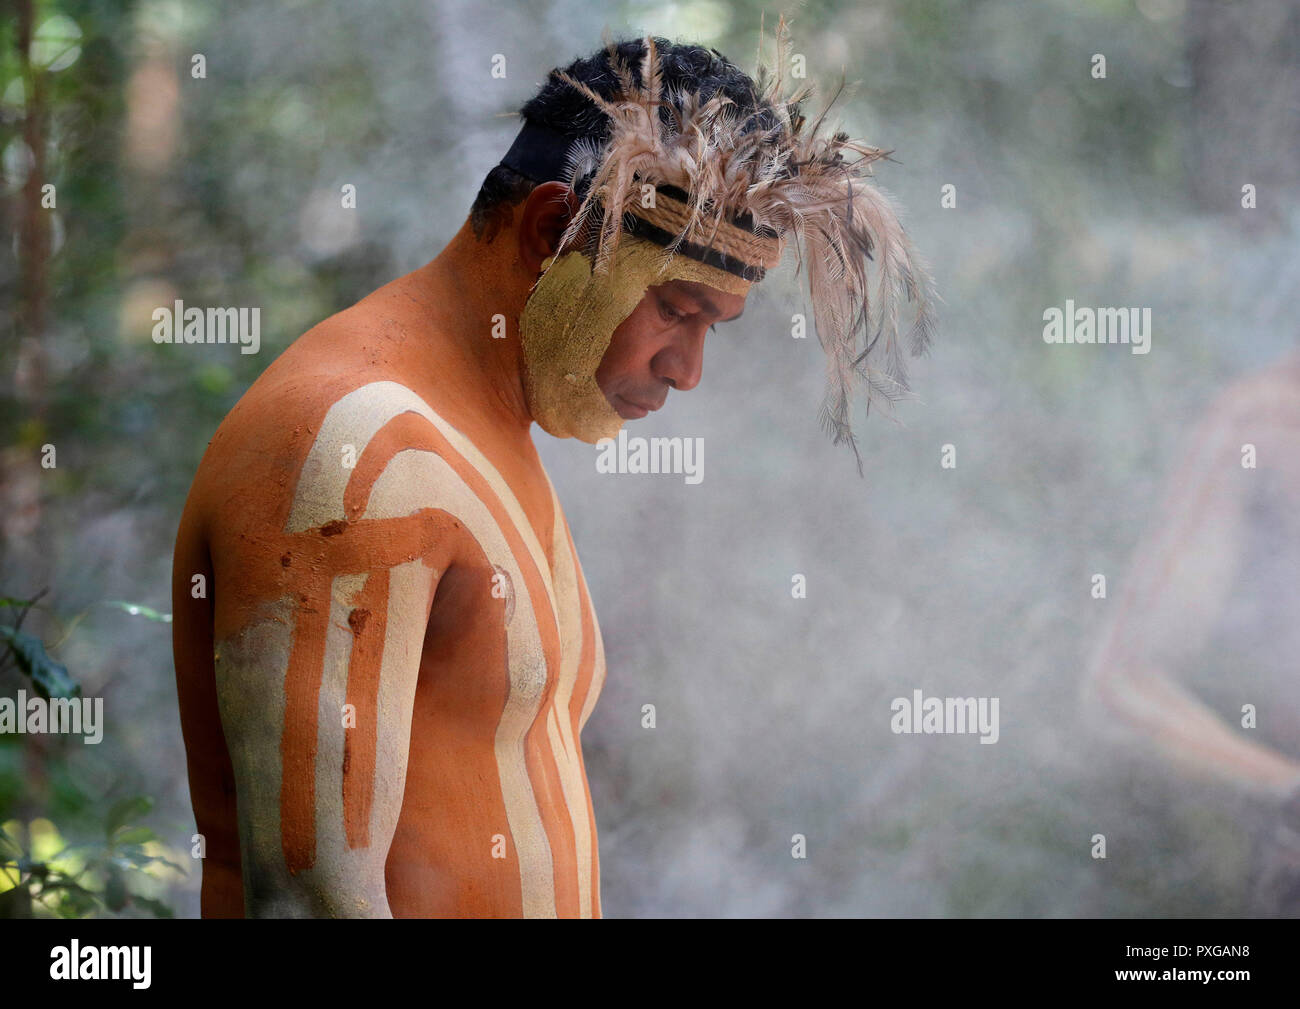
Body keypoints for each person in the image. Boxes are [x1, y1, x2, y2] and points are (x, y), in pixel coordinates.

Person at [171, 23, 935, 918]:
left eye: (711, 326)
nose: (687, 369)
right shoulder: (353, 444)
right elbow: (305, 902)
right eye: (677, 310)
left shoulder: (486, 430)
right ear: (547, 230)